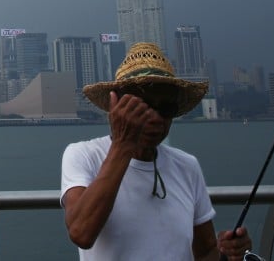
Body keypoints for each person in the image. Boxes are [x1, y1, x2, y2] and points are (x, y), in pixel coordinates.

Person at [61, 42, 254, 260]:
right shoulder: (84, 155)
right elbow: (81, 233)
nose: (155, 117)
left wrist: (228, 254)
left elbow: (206, 251)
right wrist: (123, 145)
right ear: (117, 107)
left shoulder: (187, 166)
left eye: (166, 109)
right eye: (142, 106)